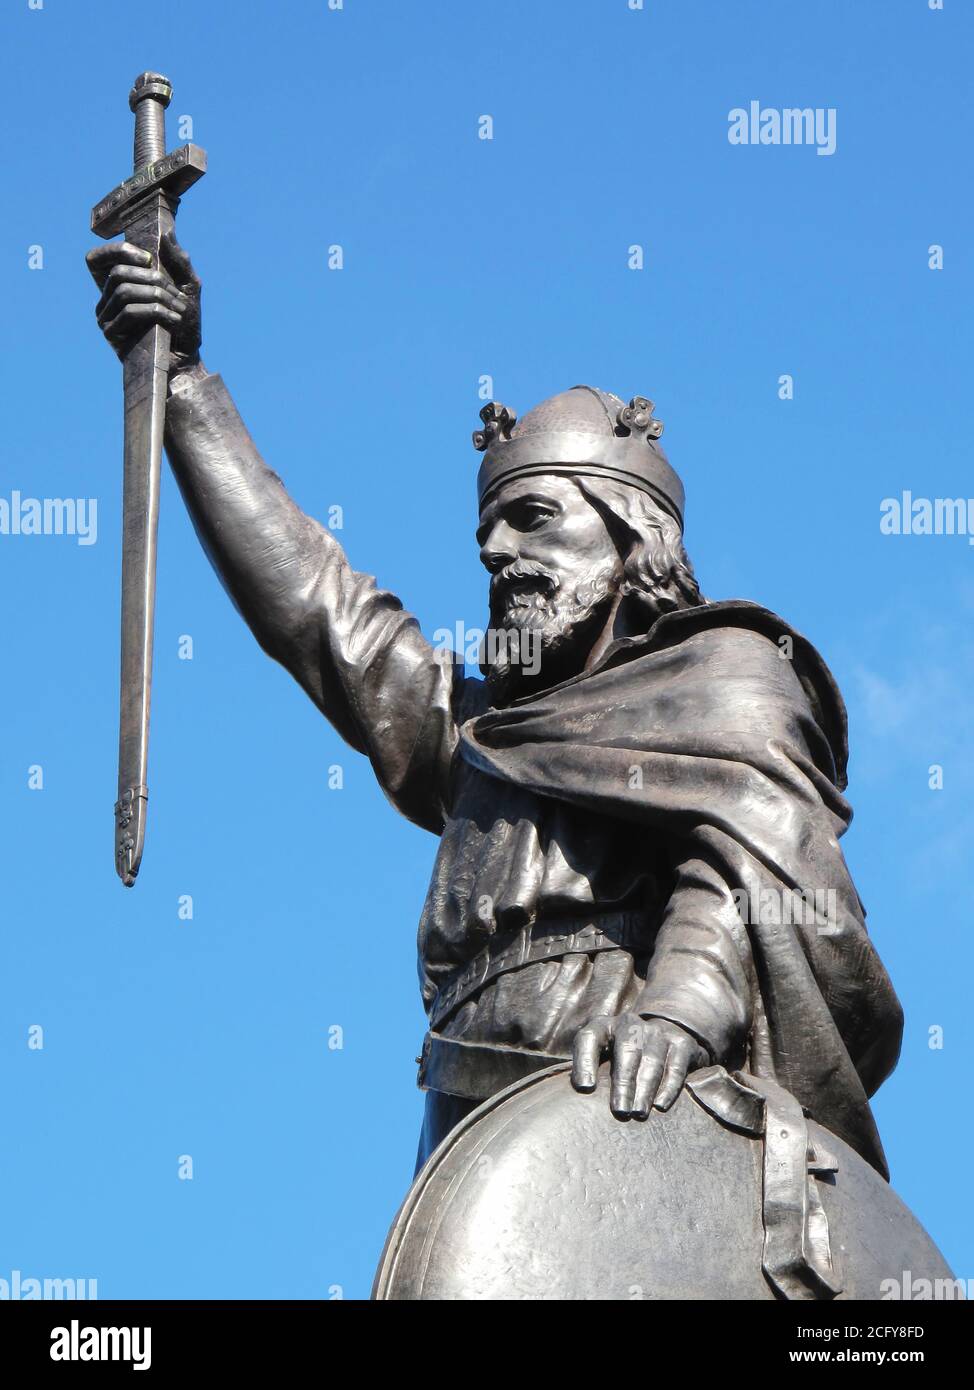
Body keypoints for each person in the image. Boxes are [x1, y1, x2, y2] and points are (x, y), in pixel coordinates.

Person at [86, 236, 903, 1177]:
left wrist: (681, 1005)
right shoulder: (477, 737)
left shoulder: (724, 676)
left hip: (630, 1095)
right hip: (463, 1122)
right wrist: (181, 382)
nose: (495, 550)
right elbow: (316, 607)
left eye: (534, 518)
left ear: (632, 532)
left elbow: (749, 858)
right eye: (487, 528)